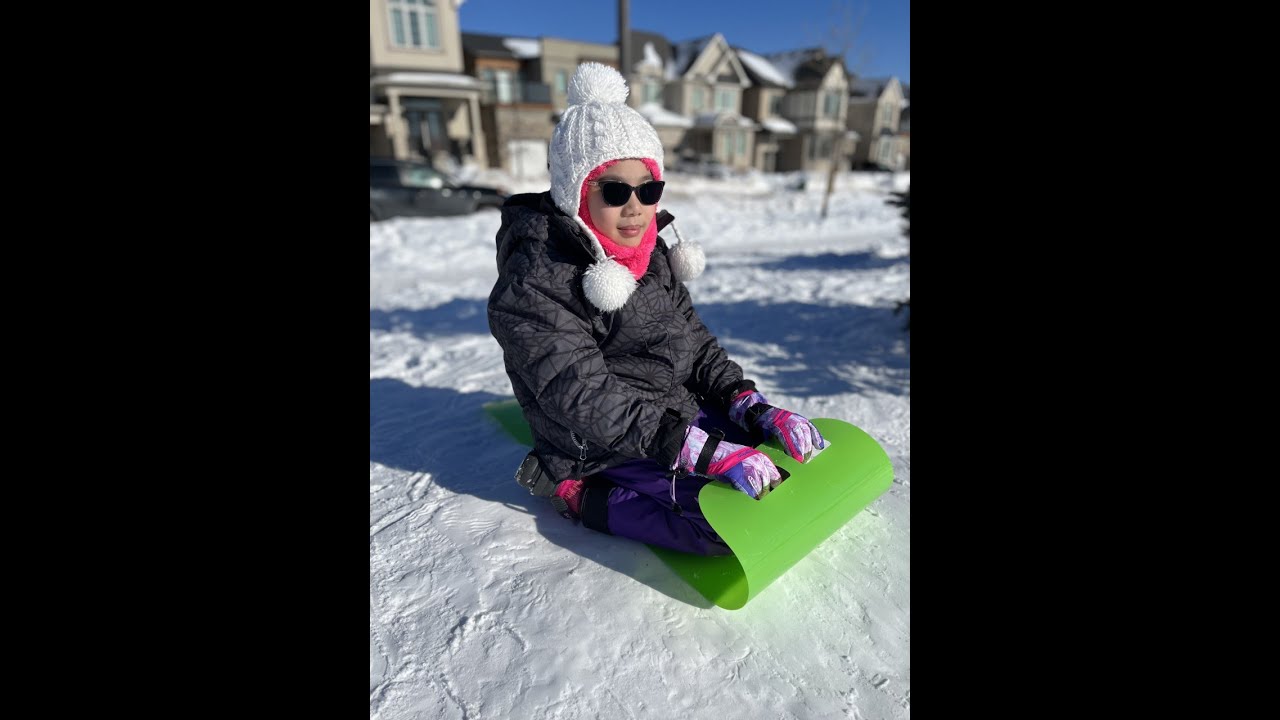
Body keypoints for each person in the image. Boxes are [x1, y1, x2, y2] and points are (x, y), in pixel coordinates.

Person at [487, 63, 826, 556]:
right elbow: (579, 393)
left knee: (786, 475)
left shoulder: (652, 256)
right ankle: (581, 499)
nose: (635, 208)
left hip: (666, 418)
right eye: (615, 190)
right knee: (729, 530)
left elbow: (693, 340)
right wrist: (696, 449)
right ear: (575, 193)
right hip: (596, 443)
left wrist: (748, 404)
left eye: (648, 190)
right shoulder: (535, 280)